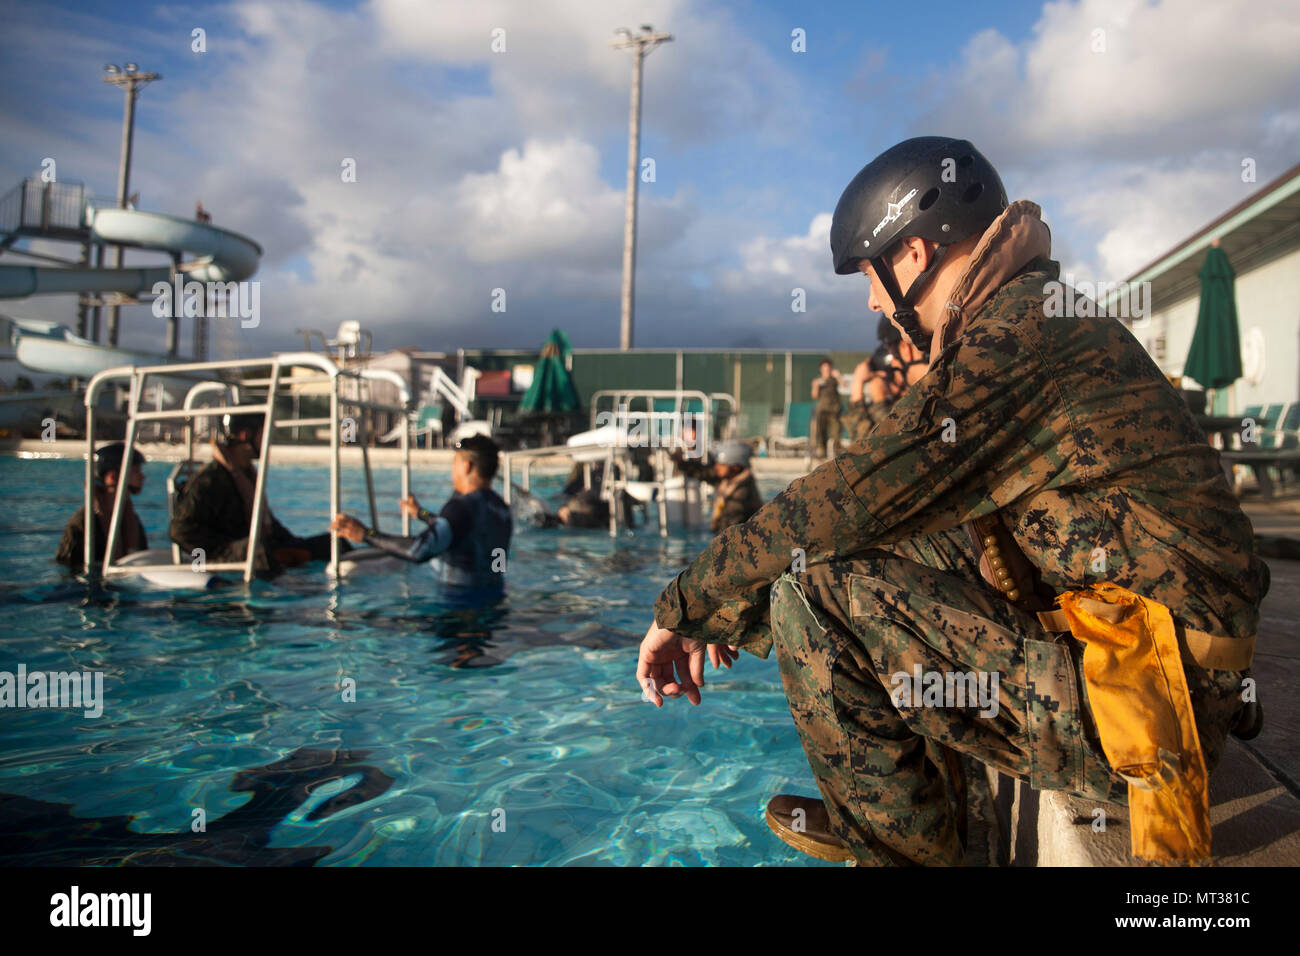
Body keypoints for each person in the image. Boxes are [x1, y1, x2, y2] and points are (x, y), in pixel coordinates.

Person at [635, 136, 1264, 866]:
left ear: (912, 254)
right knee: (863, 557)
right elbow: (875, 510)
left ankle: (899, 844)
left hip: (1150, 710)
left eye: (869, 275)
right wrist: (729, 601)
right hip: (1155, 671)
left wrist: (684, 604)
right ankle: (901, 811)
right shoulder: (1032, 316)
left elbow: (851, 495)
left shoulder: (1020, 338)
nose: (873, 299)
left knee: (815, 595)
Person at [331, 434, 511, 590]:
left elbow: (418, 550)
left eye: (455, 463)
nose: (452, 471)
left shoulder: (461, 507)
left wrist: (365, 534)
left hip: (458, 607)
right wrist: (421, 513)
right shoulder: (502, 509)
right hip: (493, 596)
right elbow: (497, 560)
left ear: (467, 466)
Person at [170, 413, 338, 577]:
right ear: (245, 435)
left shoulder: (246, 474)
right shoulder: (210, 480)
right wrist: (223, 551)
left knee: (333, 543)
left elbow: (265, 522)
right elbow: (180, 530)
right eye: (263, 434)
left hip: (258, 545)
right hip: (231, 552)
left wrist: (292, 544)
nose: (268, 441)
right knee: (259, 551)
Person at [55, 442, 148, 573]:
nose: (142, 476)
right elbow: (67, 568)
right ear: (112, 476)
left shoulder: (131, 519)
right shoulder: (83, 523)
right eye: (136, 471)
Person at [844, 315, 929, 445]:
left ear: (905, 349)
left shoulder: (924, 406)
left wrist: (862, 390)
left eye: (894, 356)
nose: (894, 365)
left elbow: (869, 452)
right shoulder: (951, 387)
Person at [809, 358, 843, 460]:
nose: (827, 369)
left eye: (828, 367)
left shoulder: (834, 379)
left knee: (836, 432)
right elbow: (814, 396)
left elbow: (845, 385)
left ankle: (838, 452)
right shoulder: (818, 381)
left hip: (834, 411)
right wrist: (815, 386)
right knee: (821, 431)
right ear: (821, 369)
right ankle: (821, 452)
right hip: (822, 410)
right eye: (825, 368)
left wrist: (838, 377)